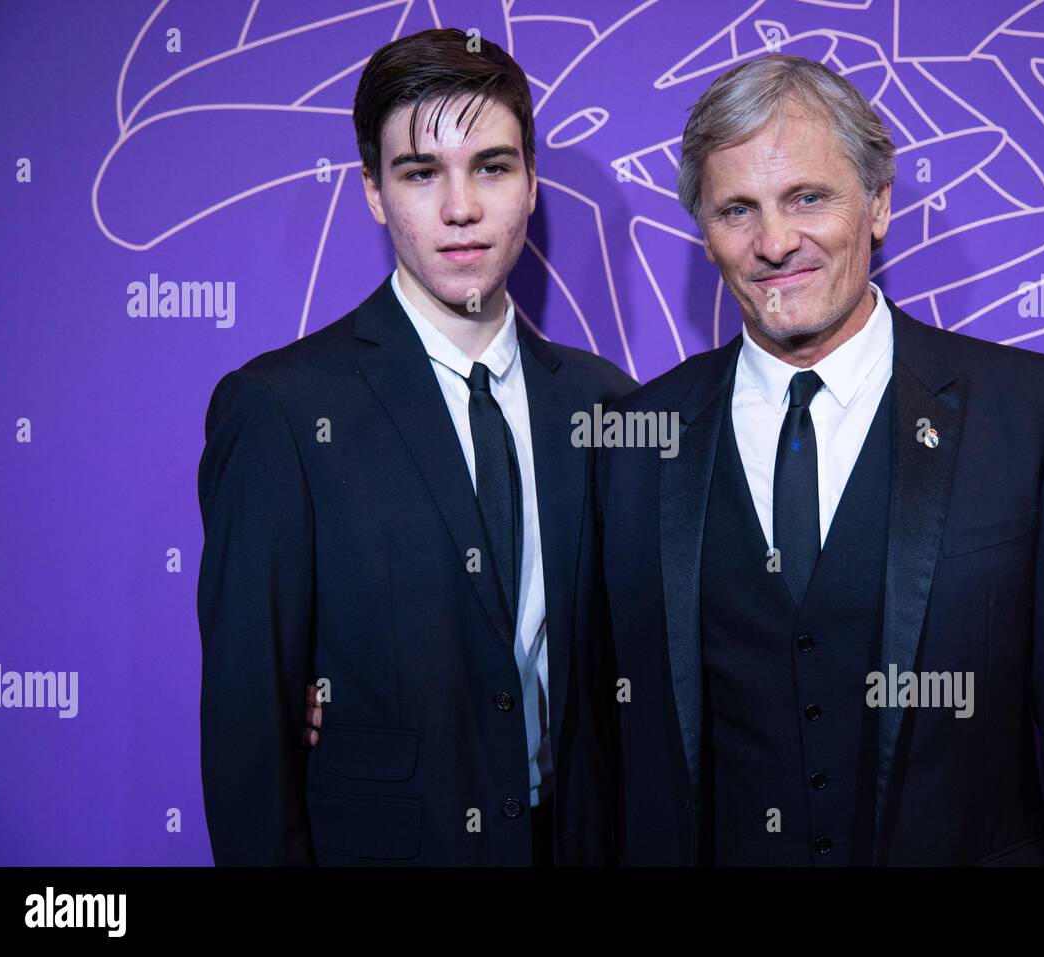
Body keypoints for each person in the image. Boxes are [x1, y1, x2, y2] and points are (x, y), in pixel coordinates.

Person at [595, 54, 1044, 866]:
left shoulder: (1028, 412)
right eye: (737, 210)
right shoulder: (638, 437)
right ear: (705, 234)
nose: (775, 241)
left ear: (879, 203)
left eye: (808, 197)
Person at [197, 27, 634, 866]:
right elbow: (249, 735)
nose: (460, 207)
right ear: (372, 190)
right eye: (421, 172)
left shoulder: (603, 402)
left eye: (492, 167)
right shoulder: (281, 410)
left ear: (532, 184)